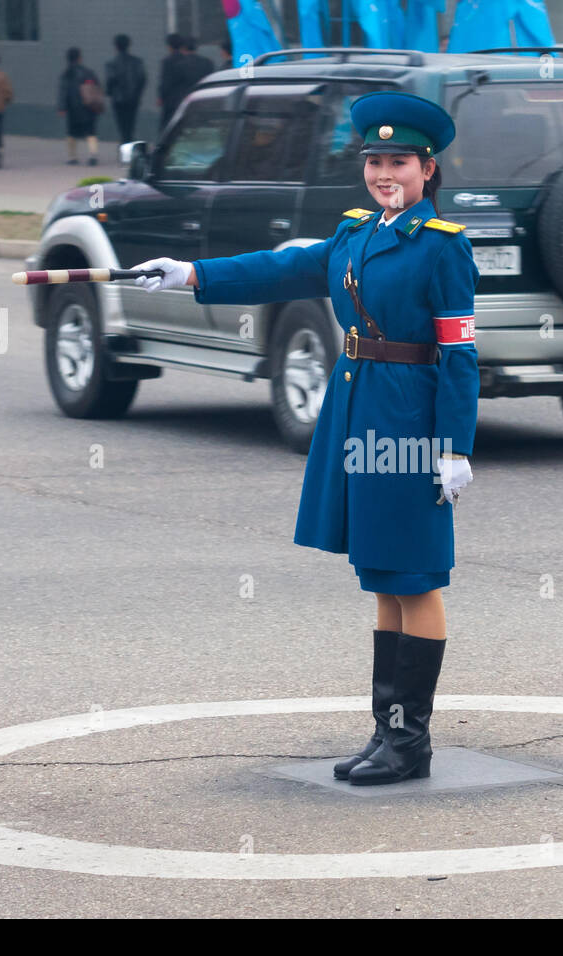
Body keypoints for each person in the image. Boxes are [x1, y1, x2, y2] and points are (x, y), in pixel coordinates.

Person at [130, 93, 479, 786]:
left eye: (399, 162)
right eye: (375, 161)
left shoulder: (443, 245)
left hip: (408, 412)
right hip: (358, 406)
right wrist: (195, 273)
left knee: (415, 572)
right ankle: (389, 733)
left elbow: (461, 353)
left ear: (426, 168)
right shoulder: (355, 232)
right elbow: (281, 268)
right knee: (381, 569)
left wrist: (453, 445)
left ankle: (411, 743)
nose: (385, 172)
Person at [57, 47, 102, 165]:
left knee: (71, 132)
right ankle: (93, 156)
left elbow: (63, 91)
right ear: (79, 58)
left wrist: (62, 107)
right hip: (89, 106)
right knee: (91, 131)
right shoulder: (89, 72)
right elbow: (97, 87)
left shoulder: (66, 74)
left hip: (73, 108)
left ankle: (72, 157)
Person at [158, 34, 213, 129]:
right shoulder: (207, 63)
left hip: (178, 101)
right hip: (203, 100)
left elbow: (168, 83)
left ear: (182, 47)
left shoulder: (178, 64)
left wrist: (162, 97)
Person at [105, 33, 147, 143]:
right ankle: (129, 143)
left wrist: (109, 93)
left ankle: (125, 145)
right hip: (133, 99)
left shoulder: (112, 63)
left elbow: (110, 80)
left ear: (116, 46)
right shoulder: (137, 62)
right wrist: (138, 94)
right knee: (130, 124)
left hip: (118, 99)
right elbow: (142, 78)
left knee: (122, 126)